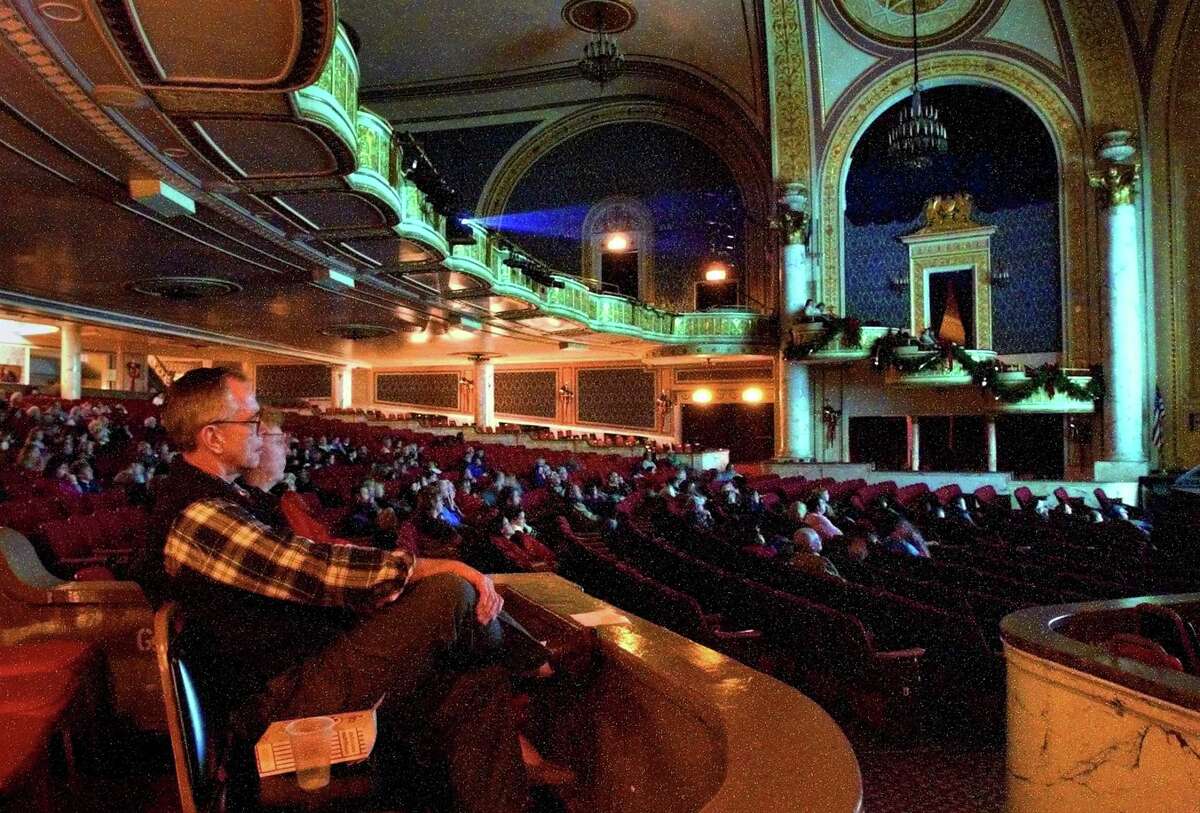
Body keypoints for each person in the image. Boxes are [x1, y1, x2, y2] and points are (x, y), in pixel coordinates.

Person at [141, 367, 552, 812]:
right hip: (279, 695)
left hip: (305, 666)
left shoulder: (229, 498)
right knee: (450, 590)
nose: (261, 431)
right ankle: (537, 663)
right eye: (251, 420)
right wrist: (431, 565)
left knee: (475, 682)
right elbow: (312, 569)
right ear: (213, 437)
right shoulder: (198, 515)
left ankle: (525, 682)